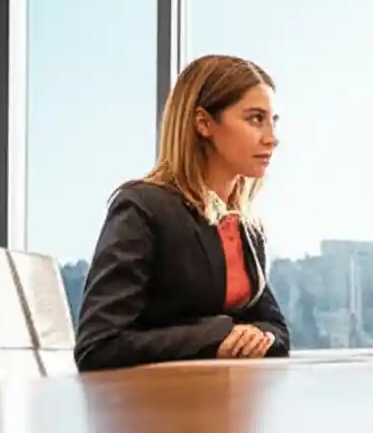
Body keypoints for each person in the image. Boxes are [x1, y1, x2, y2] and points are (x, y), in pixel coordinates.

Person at [75, 55, 290, 371]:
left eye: (274, 120)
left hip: (223, 405)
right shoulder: (142, 208)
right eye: (255, 119)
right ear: (204, 123)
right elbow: (98, 345)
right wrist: (219, 335)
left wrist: (256, 336)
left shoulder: (244, 225)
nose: (272, 138)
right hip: (155, 409)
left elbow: (275, 330)